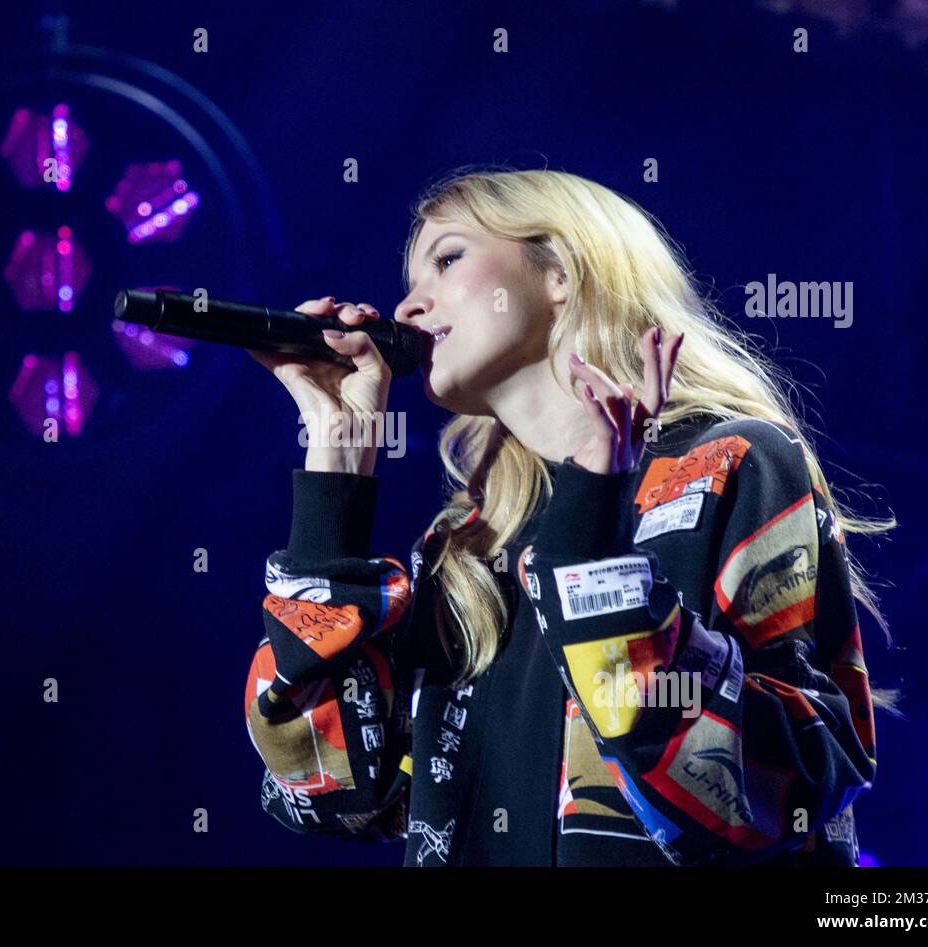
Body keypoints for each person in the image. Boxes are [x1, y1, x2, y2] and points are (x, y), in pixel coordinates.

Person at [242, 166, 895, 867]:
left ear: (559, 270)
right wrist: (335, 472)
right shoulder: (467, 544)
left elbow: (786, 782)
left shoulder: (723, 466)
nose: (405, 309)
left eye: (448, 258)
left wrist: (587, 545)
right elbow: (326, 793)